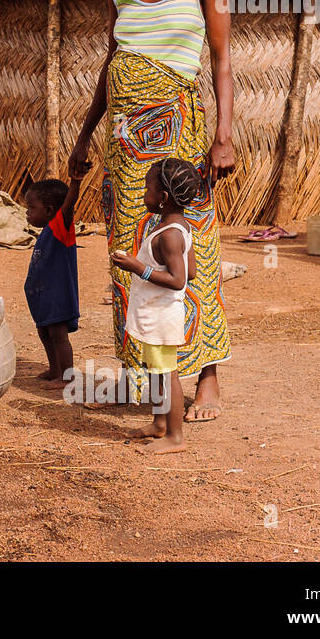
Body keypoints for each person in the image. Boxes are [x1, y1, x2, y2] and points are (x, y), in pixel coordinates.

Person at [69, 0, 234, 421]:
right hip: (123, 144)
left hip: (179, 140)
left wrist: (224, 134)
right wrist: (84, 133)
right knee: (128, 254)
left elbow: (222, 61)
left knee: (192, 249)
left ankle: (206, 375)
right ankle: (147, 373)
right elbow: (110, 62)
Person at [110, 158, 201, 454]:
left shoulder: (170, 235)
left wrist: (138, 267)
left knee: (167, 374)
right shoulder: (179, 227)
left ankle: (176, 437)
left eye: (148, 189)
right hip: (156, 313)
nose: (143, 194)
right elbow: (192, 271)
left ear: (162, 198)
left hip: (162, 315)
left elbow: (178, 280)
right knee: (156, 371)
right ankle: (160, 424)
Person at [22, 172, 83, 388]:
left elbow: (68, 205)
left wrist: (76, 180)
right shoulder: (48, 231)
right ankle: (55, 369)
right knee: (44, 331)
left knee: (58, 335)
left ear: (49, 211)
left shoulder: (60, 227)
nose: (27, 212)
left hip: (58, 295)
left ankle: (66, 376)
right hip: (44, 296)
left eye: (31, 208)